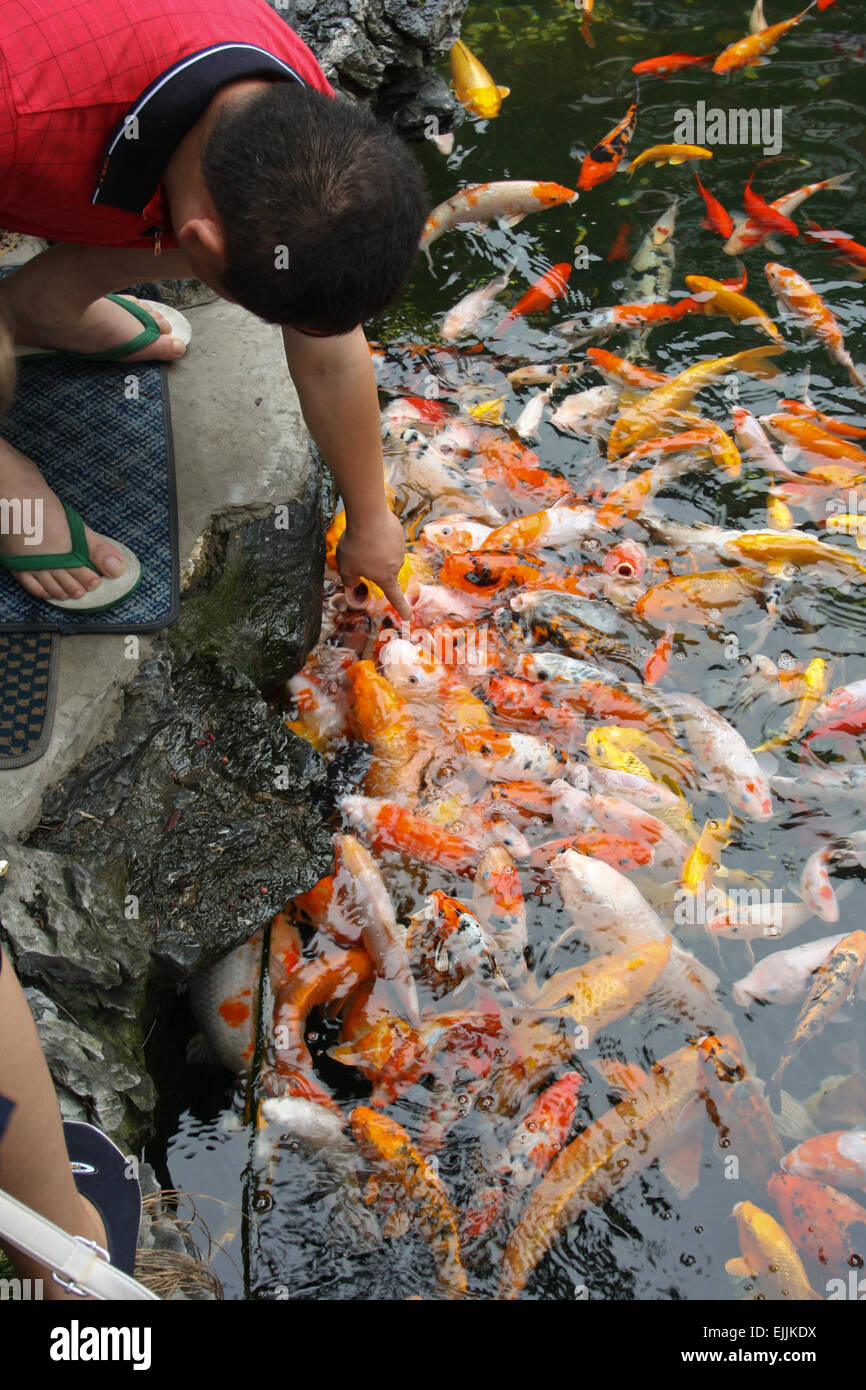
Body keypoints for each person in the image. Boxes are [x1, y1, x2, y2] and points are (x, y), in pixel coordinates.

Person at [0, 0, 427, 618]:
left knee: (254, 243)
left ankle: (40, 307)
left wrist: (371, 516)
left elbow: (329, 350)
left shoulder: (292, 116)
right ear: (198, 242)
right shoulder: (19, 109)